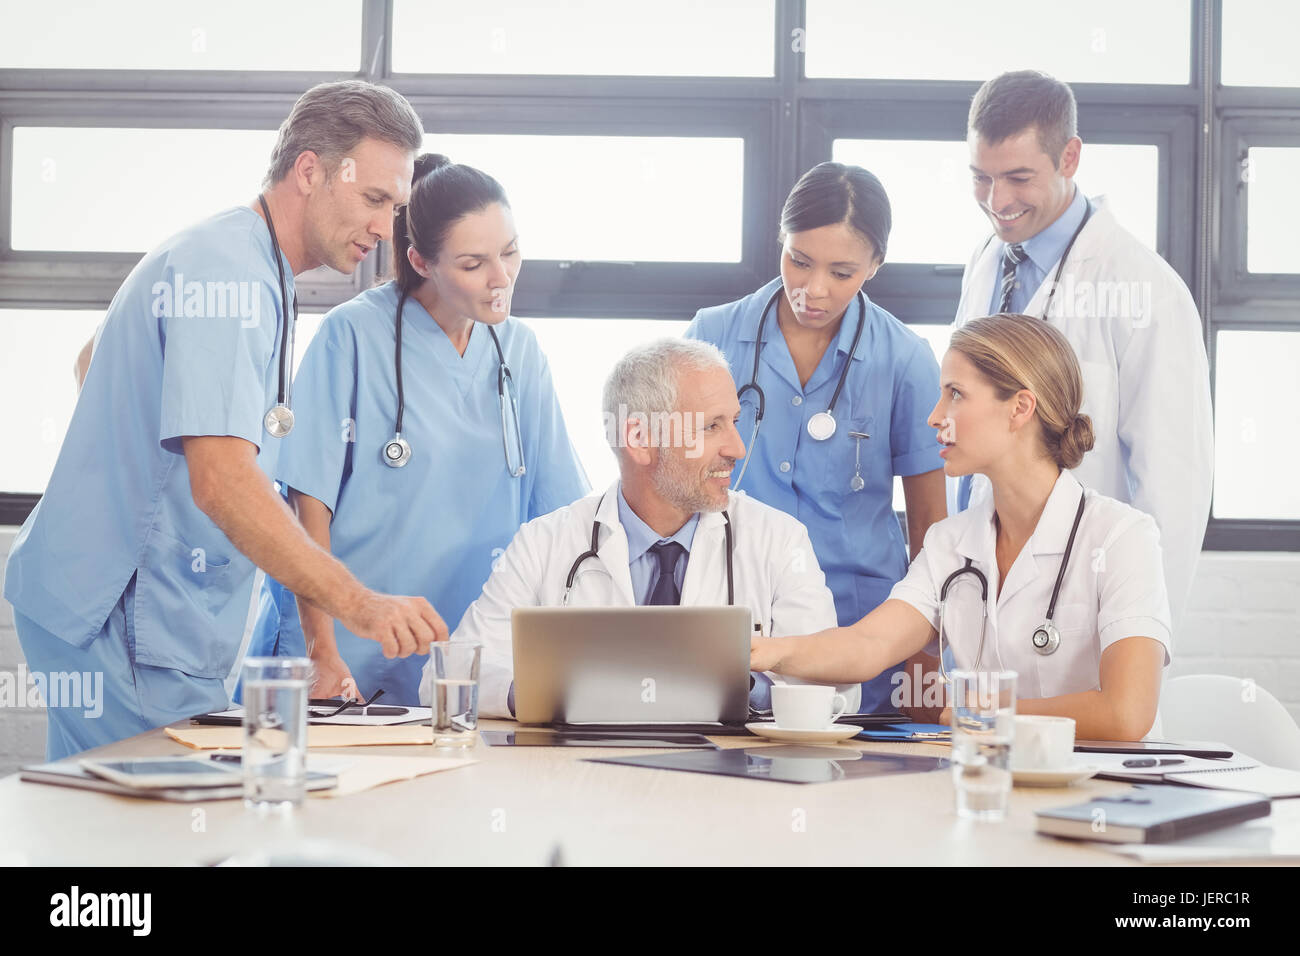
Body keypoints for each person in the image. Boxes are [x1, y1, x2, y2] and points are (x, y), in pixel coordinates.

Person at [4, 81, 447, 761]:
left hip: (112, 613)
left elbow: (94, 361)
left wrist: (133, 460)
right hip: (120, 626)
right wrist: (362, 605)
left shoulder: (249, 261)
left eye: (398, 207)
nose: (387, 230)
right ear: (310, 171)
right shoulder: (230, 269)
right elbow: (222, 482)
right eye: (375, 200)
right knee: (167, 834)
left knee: (126, 823)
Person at [752, 314, 1171, 740]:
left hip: (1105, 788)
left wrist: (984, 713)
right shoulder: (949, 543)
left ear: (1020, 408)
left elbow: (1125, 713)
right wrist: (766, 651)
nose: (935, 417)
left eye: (955, 394)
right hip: (989, 782)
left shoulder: (1121, 537)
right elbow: (868, 645)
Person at [264, 155, 589, 704]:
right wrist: (322, 651)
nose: (501, 278)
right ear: (420, 259)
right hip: (351, 659)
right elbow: (306, 507)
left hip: (476, 661)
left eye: (509, 252)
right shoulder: (351, 338)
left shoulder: (520, 353)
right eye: (473, 263)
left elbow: (562, 516)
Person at [427, 338, 860, 718]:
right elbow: (442, 682)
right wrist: (547, 694)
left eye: (735, 421)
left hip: (726, 789)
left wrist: (740, 688)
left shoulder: (778, 541)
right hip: (583, 787)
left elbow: (838, 688)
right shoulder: (545, 543)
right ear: (639, 440)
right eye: (712, 426)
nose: (737, 448)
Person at [685, 162, 947, 713]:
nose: (814, 290)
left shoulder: (905, 359)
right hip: (737, 618)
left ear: (875, 265)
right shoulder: (710, 337)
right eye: (798, 262)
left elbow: (929, 524)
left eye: (842, 272)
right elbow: (675, 486)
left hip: (863, 630)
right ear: (780, 239)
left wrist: (927, 650)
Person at [955, 70, 1212, 631]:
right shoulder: (987, 259)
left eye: (1019, 177)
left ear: (1070, 156)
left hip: (1084, 607)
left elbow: (1175, 490)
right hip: (982, 589)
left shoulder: (1146, 289)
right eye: (981, 177)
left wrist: (1137, 639)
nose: (997, 201)